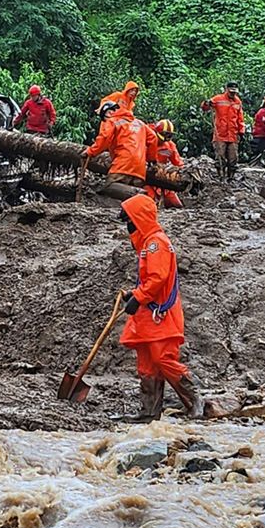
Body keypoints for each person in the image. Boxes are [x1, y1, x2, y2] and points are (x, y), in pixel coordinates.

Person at [115, 194, 203, 422]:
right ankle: (149, 412)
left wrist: (139, 296)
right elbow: (150, 280)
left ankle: (195, 401)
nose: (128, 225)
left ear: (139, 218)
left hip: (159, 313)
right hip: (149, 313)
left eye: (130, 219)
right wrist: (134, 294)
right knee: (147, 362)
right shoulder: (148, 243)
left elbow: (158, 278)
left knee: (163, 358)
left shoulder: (156, 243)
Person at [84, 101, 157, 190]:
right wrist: (150, 159)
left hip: (122, 165)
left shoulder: (113, 121)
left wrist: (90, 152)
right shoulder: (140, 123)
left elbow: (104, 138)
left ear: (109, 112)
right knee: (132, 198)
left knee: (108, 190)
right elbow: (153, 138)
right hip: (139, 170)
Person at [201, 82, 245, 182]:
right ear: (226, 89)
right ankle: (221, 177)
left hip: (233, 134)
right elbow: (205, 108)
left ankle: (231, 178)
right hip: (220, 134)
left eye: (234, 92)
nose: (233, 94)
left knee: (233, 158)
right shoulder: (218, 99)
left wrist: (241, 131)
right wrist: (206, 103)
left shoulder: (238, 102)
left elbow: (240, 118)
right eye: (231, 92)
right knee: (220, 157)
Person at [147, 119, 184, 208]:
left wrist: (182, 173)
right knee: (150, 202)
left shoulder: (170, 146)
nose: (166, 138)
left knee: (176, 205)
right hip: (147, 178)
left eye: (169, 135)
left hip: (163, 177)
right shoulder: (146, 141)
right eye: (165, 134)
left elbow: (178, 163)